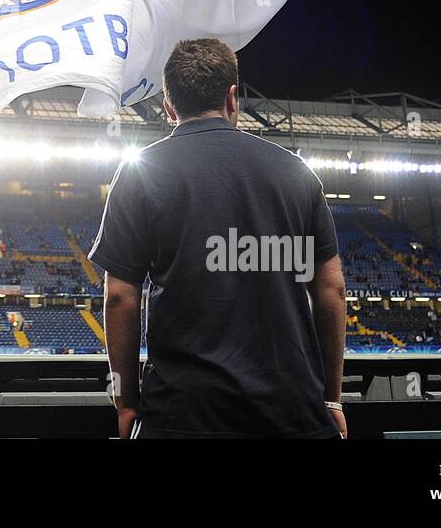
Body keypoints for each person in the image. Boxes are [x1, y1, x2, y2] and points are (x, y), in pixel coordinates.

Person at [89, 37, 347, 439]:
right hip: (293, 416)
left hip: (183, 417)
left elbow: (120, 296)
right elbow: (331, 290)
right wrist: (331, 399)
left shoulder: (140, 173)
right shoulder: (297, 172)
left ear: (169, 105)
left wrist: (126, 401)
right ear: (232, 97)